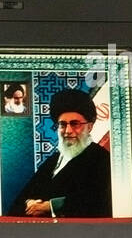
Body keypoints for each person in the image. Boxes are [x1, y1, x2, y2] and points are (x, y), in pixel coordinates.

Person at [8, 88, 111, 217]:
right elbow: (28, 192)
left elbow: (96, 201)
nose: (67, 130)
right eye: (63, 124)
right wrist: (29, 202)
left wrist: (49, 206)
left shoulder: (102, 159)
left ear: (89, 127)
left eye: (75, 124)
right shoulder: (55, 159)